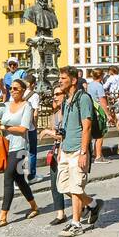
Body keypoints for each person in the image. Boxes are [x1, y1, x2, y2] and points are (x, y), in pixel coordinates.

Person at [56, 67, 104, 237]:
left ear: (73, 80)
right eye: (59, 78)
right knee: (63, 186)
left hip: (78, 150)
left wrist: (84, 152)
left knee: (76, 187)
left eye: (63, 78)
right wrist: (61, 148)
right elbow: (65, 127)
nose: (59, 81)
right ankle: (92, 204)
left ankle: (76, 223)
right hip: (66, 149)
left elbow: (87, 127)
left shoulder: (83, 99)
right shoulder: (67, 100)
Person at [0, 79, 40, 226]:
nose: (12, 91)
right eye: (11, 88)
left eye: (16, 88)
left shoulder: (27, 107)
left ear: (23, 90)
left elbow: (23, 129)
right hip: (5, 147)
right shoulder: (6, 106)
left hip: (20, 148)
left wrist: (4, 127)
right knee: (19, 179)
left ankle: (3, 216)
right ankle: (34, 206)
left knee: (8, 177)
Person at [41, 86, 70, 225]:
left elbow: (65, 136)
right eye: (54, 94)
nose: (55, 96)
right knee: (54, 183)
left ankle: (86, 203)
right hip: (56, 151)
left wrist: (48, 132)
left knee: (66, 184)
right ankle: (60, 213)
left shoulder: (68, 113)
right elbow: (56, 136)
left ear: (65, 95)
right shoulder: (55, 114)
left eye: (58, 94)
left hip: (68, 151)